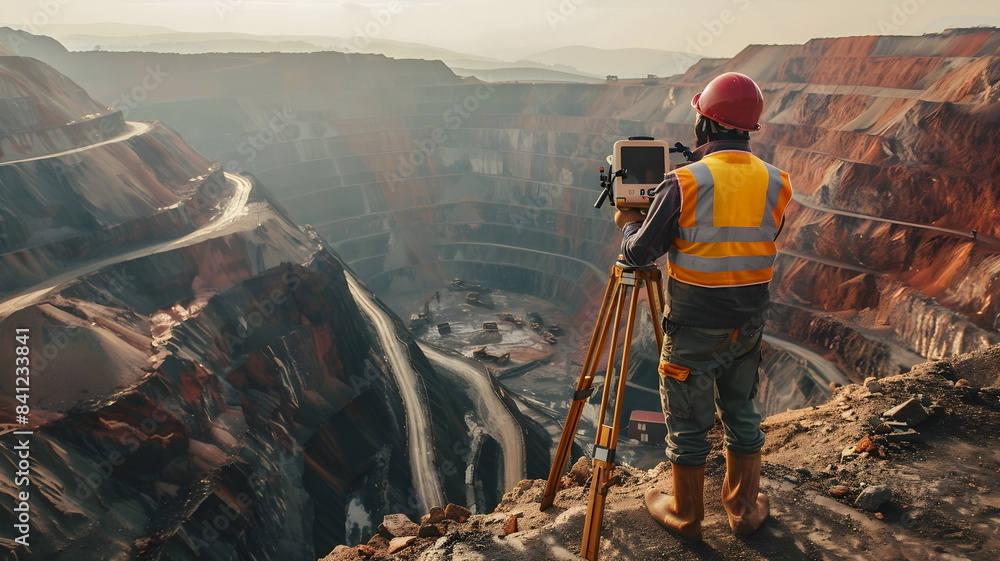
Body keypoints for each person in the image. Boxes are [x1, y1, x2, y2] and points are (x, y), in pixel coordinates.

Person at [614, 72, 792, 538]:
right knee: (741, 411)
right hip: (749, 321)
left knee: (688, 421)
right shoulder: (776, 181)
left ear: (704, 125)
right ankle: (743, 508)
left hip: (695, 324)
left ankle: (688, 513)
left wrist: (628, 223)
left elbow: (640, 253)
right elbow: (758, 236)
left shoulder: (684, 182)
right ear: (747, 129)